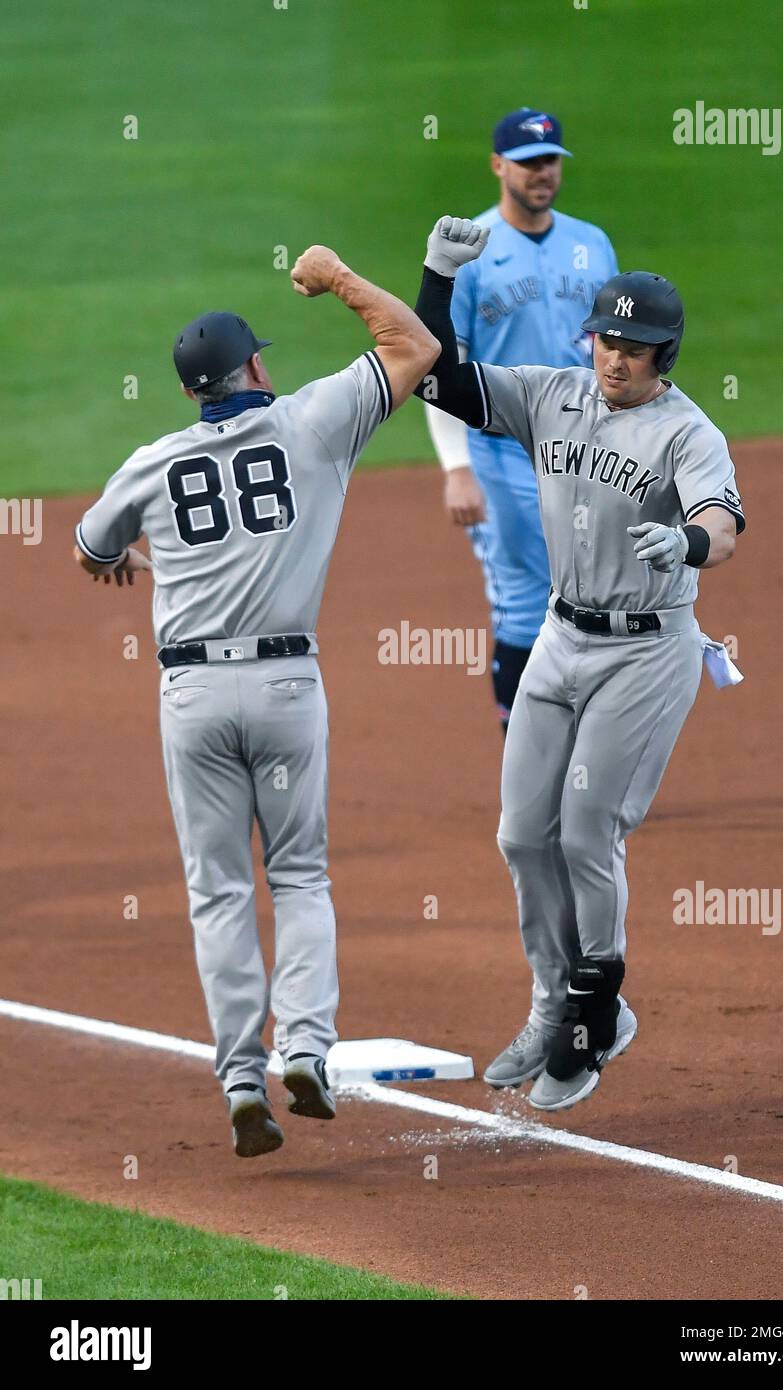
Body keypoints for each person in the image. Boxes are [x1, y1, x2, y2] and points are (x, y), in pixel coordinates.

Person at [73, 254, 439, 1156]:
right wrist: (342, 279)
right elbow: (415, 343)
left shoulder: (153, 465)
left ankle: (241, 1076)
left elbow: (88, 547)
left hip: (193, 696)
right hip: (285, 687)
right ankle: (306, 1046)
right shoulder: (314, 419)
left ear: (194, 390)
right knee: (300, 875)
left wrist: (136, 559)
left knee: (218, 892)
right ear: (256, 371)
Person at [415, 217, 745, 1111]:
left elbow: (723, 526)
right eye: (606, 340)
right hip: (561, 641)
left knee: (585, 832)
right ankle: (549, 1001)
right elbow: (439, 379)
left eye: (635, 349)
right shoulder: (550, 393)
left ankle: (593, 1017)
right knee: (522, 834)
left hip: (645, 653)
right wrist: (438, 279)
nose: (615, 361)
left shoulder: (687, 434)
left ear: (663, 353)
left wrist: (683, 540)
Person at [424, 108, 618, 732]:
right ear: (498, 165)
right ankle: (523, 744)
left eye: (551, 161)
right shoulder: (470, 252)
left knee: (593, 591)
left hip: (585, 449)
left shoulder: (593, 244)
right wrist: (457, 469)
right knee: (522, 602)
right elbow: (441, 372)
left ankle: (585, 739)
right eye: (530, 162)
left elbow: (620, 350)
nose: (543, 173)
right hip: (500, 452)